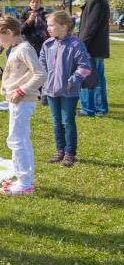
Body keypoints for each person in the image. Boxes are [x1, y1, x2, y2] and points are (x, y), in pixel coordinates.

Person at [0, 16, 46, 195]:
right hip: (17, 101)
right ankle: (22, 176)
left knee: (17, 140)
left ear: (9, 32)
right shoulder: (17, 48)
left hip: (22, 100)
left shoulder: (24, 49)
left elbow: (40, 74)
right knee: (18, 139)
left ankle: (25, 182)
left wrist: (21, 91)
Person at [40, 11, 92, 167]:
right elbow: (41, 65)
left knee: (67, 121)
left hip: (69, 92)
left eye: (51, 25)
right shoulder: (47, 44)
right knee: (56, 122)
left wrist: (72, 80)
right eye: (48, 25)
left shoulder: (76, 44)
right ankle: (60, 151)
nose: (48, 28)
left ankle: (70, 153)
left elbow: (85, 67)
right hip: (51, 91)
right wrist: (43, 81)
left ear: (64, 26)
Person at [77, 0, 110, 117]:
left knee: (91, 79)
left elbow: (90, 27)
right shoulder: (95, 0)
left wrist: (81, 46)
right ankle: (99, 109)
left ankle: (90, 109)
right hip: (94, 47)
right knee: (97, 78)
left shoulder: (96, 0)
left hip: (92, 47)